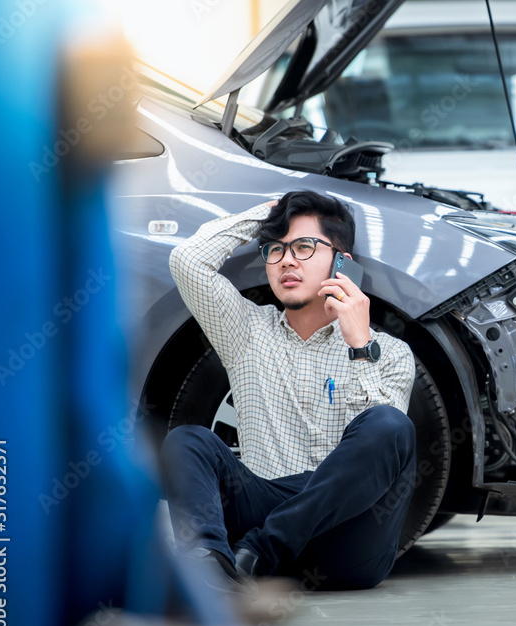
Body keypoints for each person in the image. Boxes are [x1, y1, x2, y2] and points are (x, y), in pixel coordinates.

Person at [160, 189, 417, 591]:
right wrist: (265, 214)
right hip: (262, 507)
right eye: (275, 250)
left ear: (341, 262)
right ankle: (209, 571)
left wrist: (359, 346)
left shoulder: (391, 353)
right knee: (187, 442)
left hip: (345, 542)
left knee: (391, 424)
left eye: (303, 246)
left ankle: (262, 550)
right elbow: (187, 260)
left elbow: (387, 452)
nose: (287, 261)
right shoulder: (244, 330)